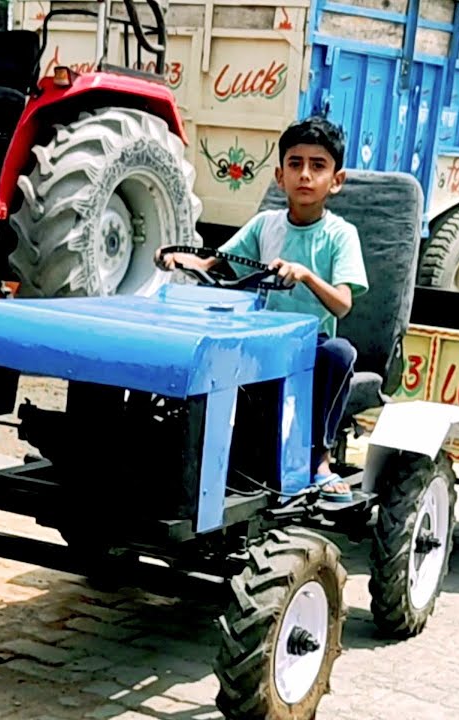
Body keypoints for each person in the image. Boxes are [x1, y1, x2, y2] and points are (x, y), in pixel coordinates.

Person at [156, 116, 367, 501]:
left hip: (309, 344)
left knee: (340, 353)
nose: (305, 175)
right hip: (262, 339)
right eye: (295, 164)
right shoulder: (266, 225)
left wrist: (304, 275)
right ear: (278, 175)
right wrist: (182, 260)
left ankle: (318, 458)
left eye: (317, 166)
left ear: (336, 181)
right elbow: (211, 264)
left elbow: (342, 304)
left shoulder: (340, 235)